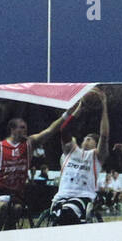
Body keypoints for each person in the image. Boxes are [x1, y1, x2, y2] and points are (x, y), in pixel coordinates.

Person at [49, 87, 108, 226]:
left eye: (90, 139)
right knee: (64, 212)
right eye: (85, 138)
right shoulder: (70, 151)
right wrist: (80, 106)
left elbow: (104, 136)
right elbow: (64, 129)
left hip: (82, 198)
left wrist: (104, 106)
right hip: (61, 197)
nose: (86, 140)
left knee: (68, 212)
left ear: (96, 144)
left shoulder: (96, 156)